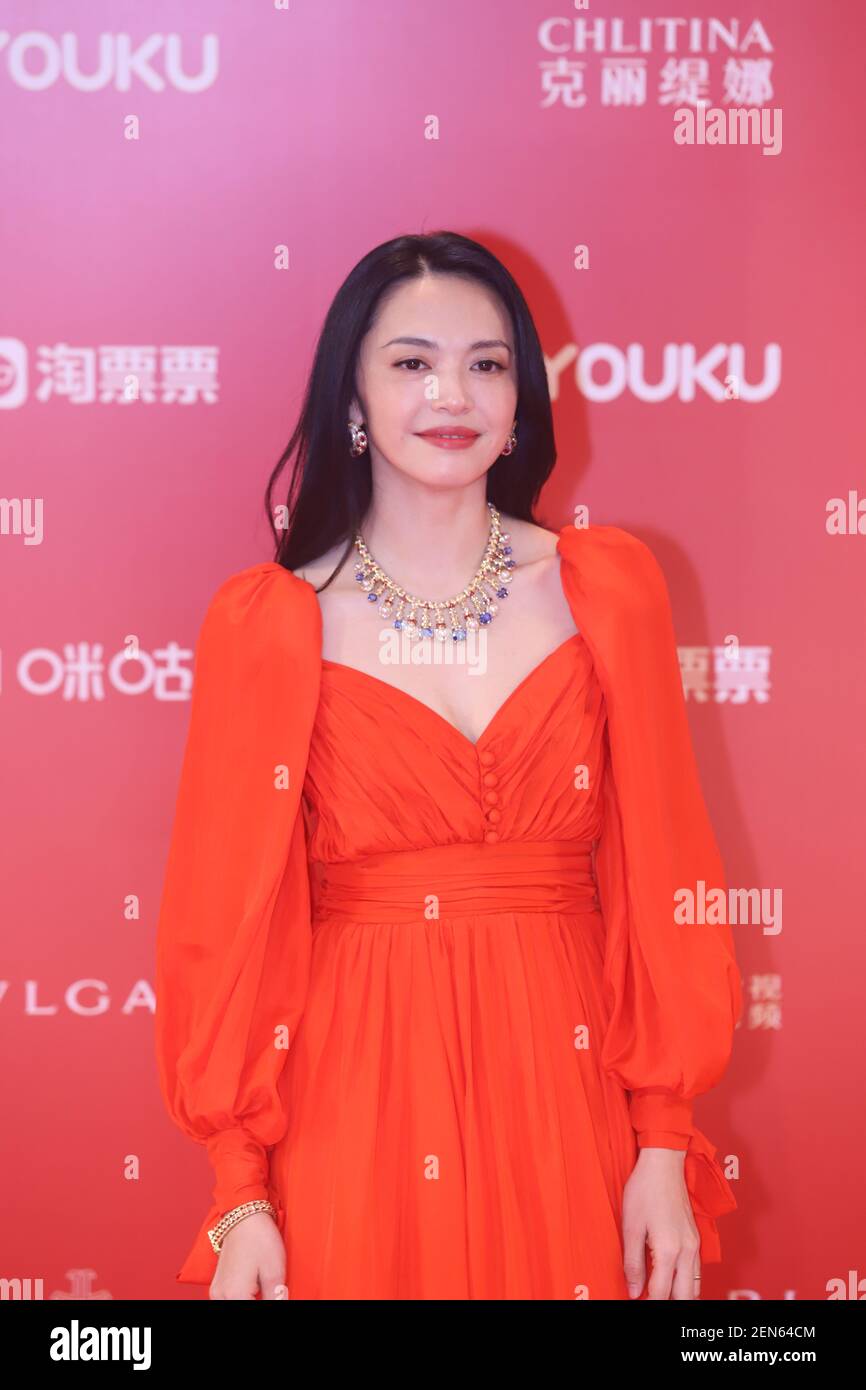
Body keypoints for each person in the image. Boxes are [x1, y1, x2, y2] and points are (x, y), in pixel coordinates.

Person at [154, 231, 741, 1301]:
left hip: (565, 1084)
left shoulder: (605, 586)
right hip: (352, 1089)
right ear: (353, 397)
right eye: (411, 361)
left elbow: (665, 868)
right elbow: (219, 915)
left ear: (521, 397)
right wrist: (241, 1188)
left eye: (486, 362)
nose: (450, 394)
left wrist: (662, 1138)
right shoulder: (271, 623)